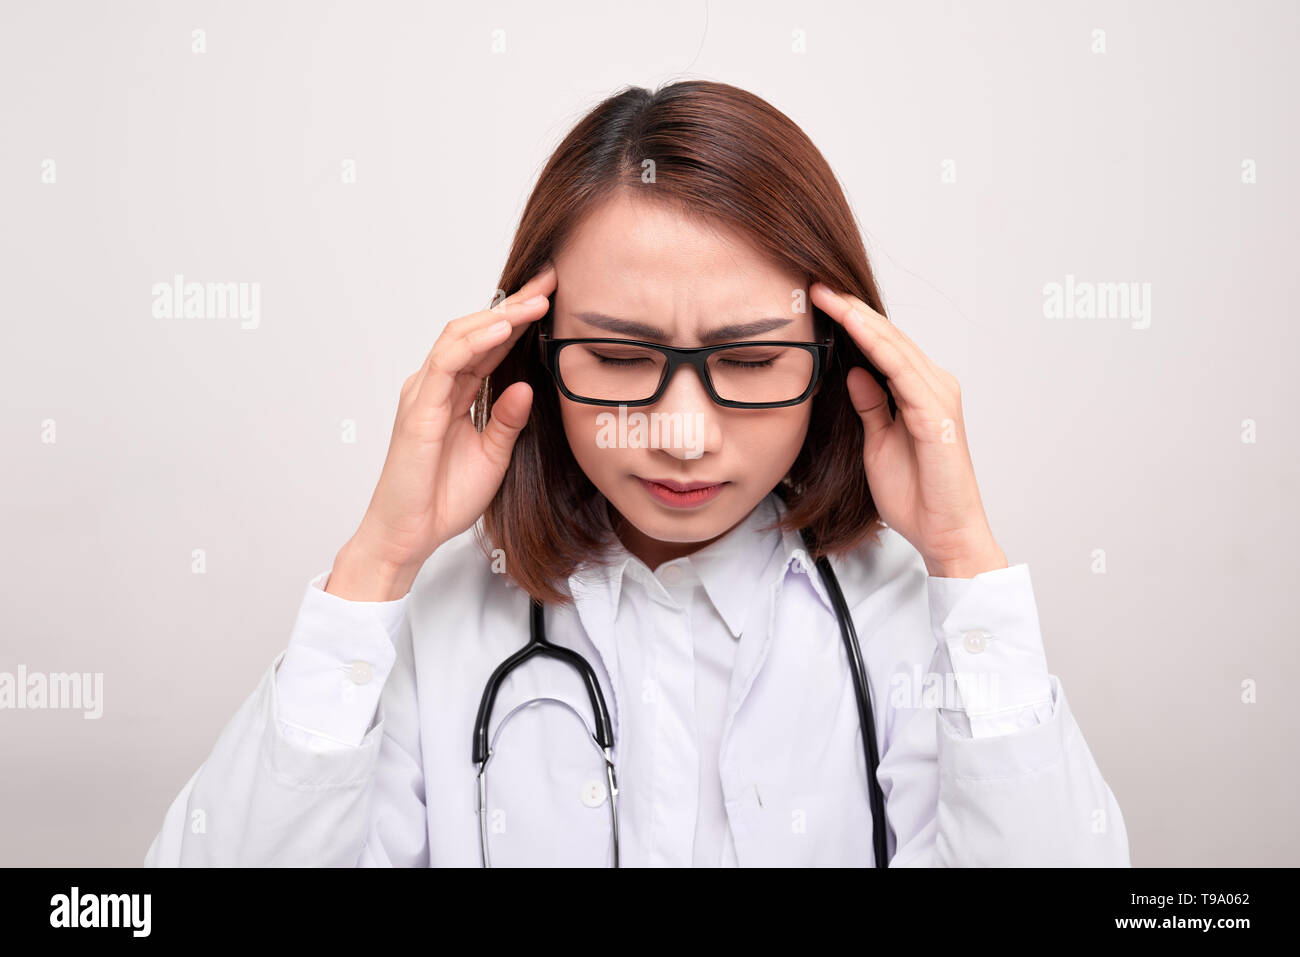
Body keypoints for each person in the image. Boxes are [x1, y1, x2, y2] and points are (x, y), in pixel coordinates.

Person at [144, 80, 1130, 867]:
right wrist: (376, 566)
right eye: (618, 360)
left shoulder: (912, 628)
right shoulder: (431, 629)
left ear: (840, 361)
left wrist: (964, 559)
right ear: (530, 353)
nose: (684, 435)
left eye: (748, 362)